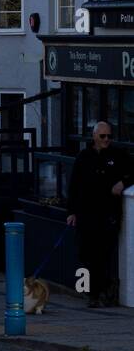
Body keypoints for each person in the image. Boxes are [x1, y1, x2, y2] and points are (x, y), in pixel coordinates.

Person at [67, 122, 132, 307]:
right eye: (103, 136)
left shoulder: (118, 155)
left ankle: (99, 293)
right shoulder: (84, 157)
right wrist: (71, 211)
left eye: (109, 136)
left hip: (108, 212)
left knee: (104, 254)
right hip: (87, 213)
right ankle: (91, 291)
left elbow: (132, 171)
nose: (106, 140)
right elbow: (74, 186)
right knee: (87, 253)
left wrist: (123, 182)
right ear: (94, 136)